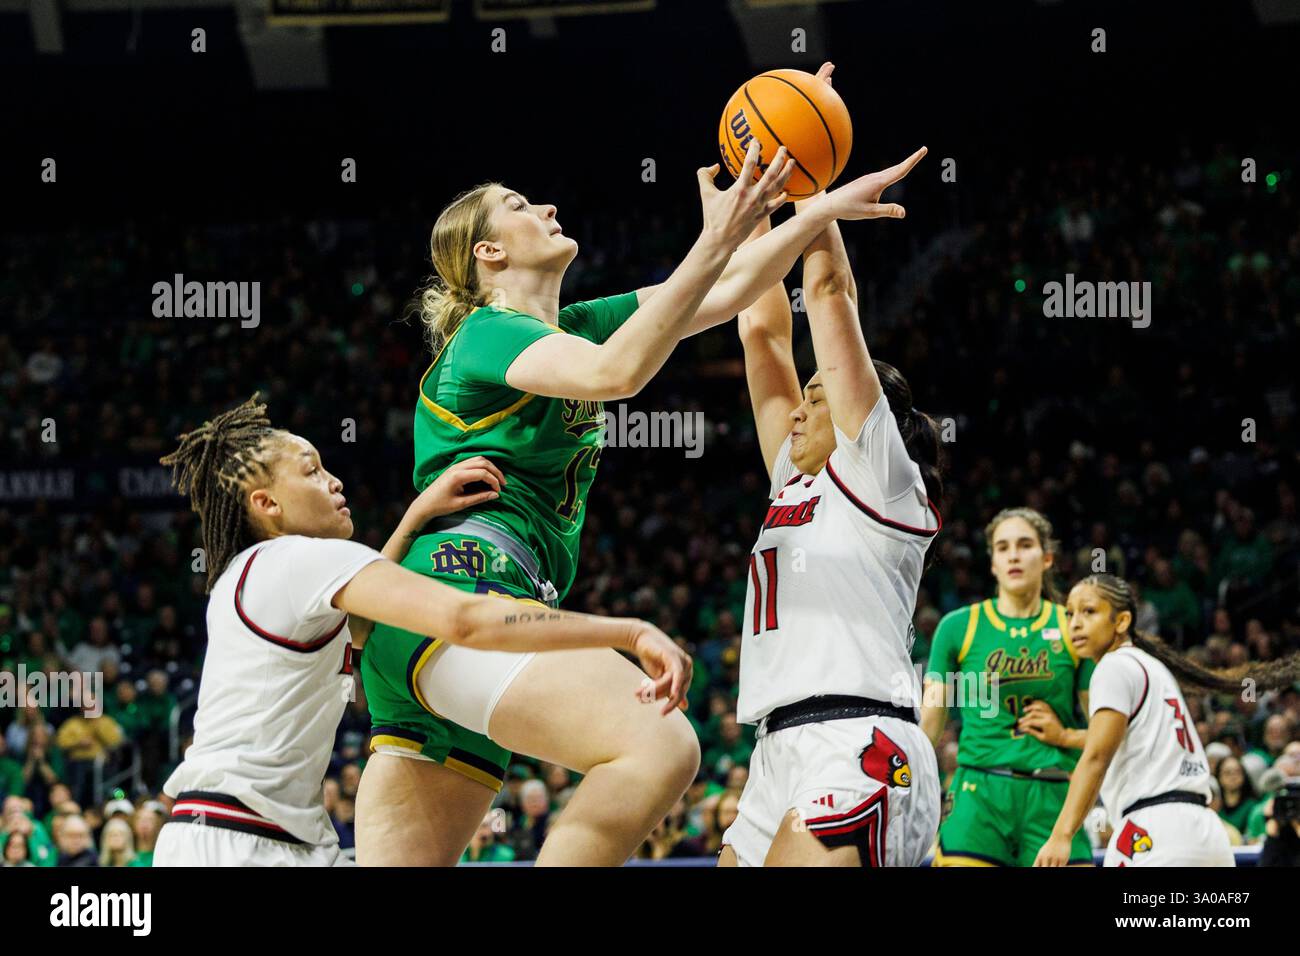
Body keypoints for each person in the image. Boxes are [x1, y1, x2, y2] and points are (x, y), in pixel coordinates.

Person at [358, 73, 926, 866]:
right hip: (467, 588)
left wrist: (807, 197)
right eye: (522, 206)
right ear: (487, 253)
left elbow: (733, 293)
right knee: (661, 749)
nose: (548, 208)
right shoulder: (487, 333)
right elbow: (617, 375)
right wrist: (729, 233)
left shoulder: (580, 325)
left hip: (428, 632)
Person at [151, 396, 688, 867]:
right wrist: (626, 632)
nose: (334, 480)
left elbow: (362, 622)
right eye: (311, 471)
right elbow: (464, 619)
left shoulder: (266, 574)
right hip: (233, 841)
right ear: (267, 504)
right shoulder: (296, 561)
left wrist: (419, 513)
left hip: (276, 838)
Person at [719, 77, 940, 866]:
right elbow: (763, 335)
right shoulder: (793, 477)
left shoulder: (878, 475)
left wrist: (810, 190)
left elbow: (827, 293)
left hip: (857, 732)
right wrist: (750, 206)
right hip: (777, 747)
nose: (802, 407)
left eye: (820, 395)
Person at [1034, 574, 1300, 866]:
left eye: (1089, 611)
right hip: (1206, 833)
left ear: (1121, 621)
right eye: (1070, 614)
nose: (1075, 623)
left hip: (1153, 829)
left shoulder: (1113, 666)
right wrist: (1063, 737)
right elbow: (1119, 738)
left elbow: (1097, 755)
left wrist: (1062, 834)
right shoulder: (1152, 667)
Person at [922, 508, 1096, 866]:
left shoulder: (1072, 626)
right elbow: (930, 725)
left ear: (1047, 557)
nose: (1014, 554)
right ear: (993, 564)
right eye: (1002, 548)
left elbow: (1104, 734)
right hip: (977, 794)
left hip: (1054, 796)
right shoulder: (957, 627)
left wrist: (1064, 736)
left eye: (1025, 544)